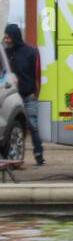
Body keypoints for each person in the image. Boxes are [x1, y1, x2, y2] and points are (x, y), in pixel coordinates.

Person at [2, 24, 43, 166]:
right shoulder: (5, 53)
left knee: (33, 125)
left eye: (8, 36)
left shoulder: (31, 52)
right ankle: (11, 156)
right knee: (12, 125)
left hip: (28, 95)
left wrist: (37, 92)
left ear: (14, 36)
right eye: (5, 37)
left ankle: (39, 154)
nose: (6, 39)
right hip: (12, 96)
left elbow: (38, 73)